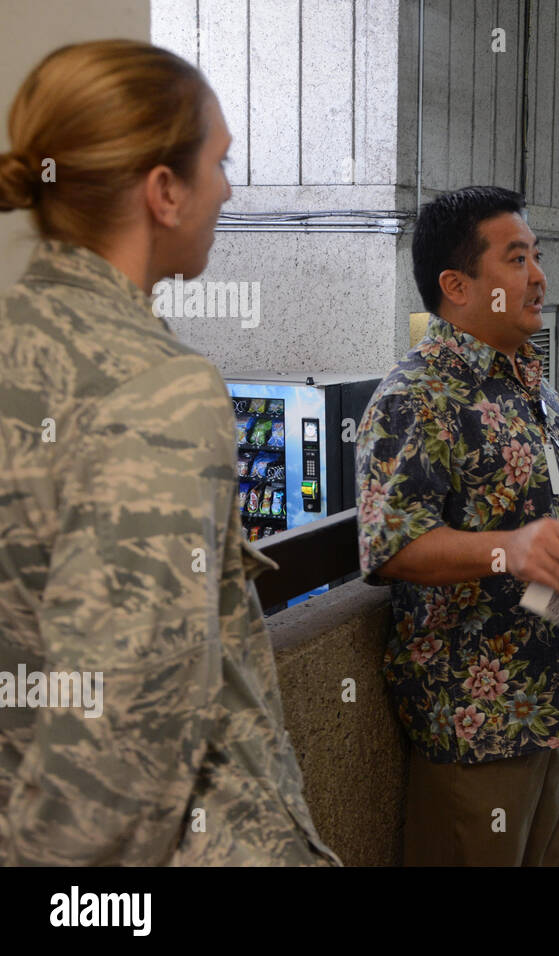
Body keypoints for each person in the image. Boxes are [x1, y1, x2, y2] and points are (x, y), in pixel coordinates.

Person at [0, 40, 338, 865]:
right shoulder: (160, 391)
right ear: (163, 191)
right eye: (219, 163)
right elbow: (116, 762)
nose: (227, 190)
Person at [355, 186, 559, 866]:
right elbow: (393, 546)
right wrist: (511, 552)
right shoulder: (416, 396)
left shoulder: (532, 388)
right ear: (457, 285)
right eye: (517, 258)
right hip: (477, 724)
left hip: (551, 703)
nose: (539, 276)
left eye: (538, 255)